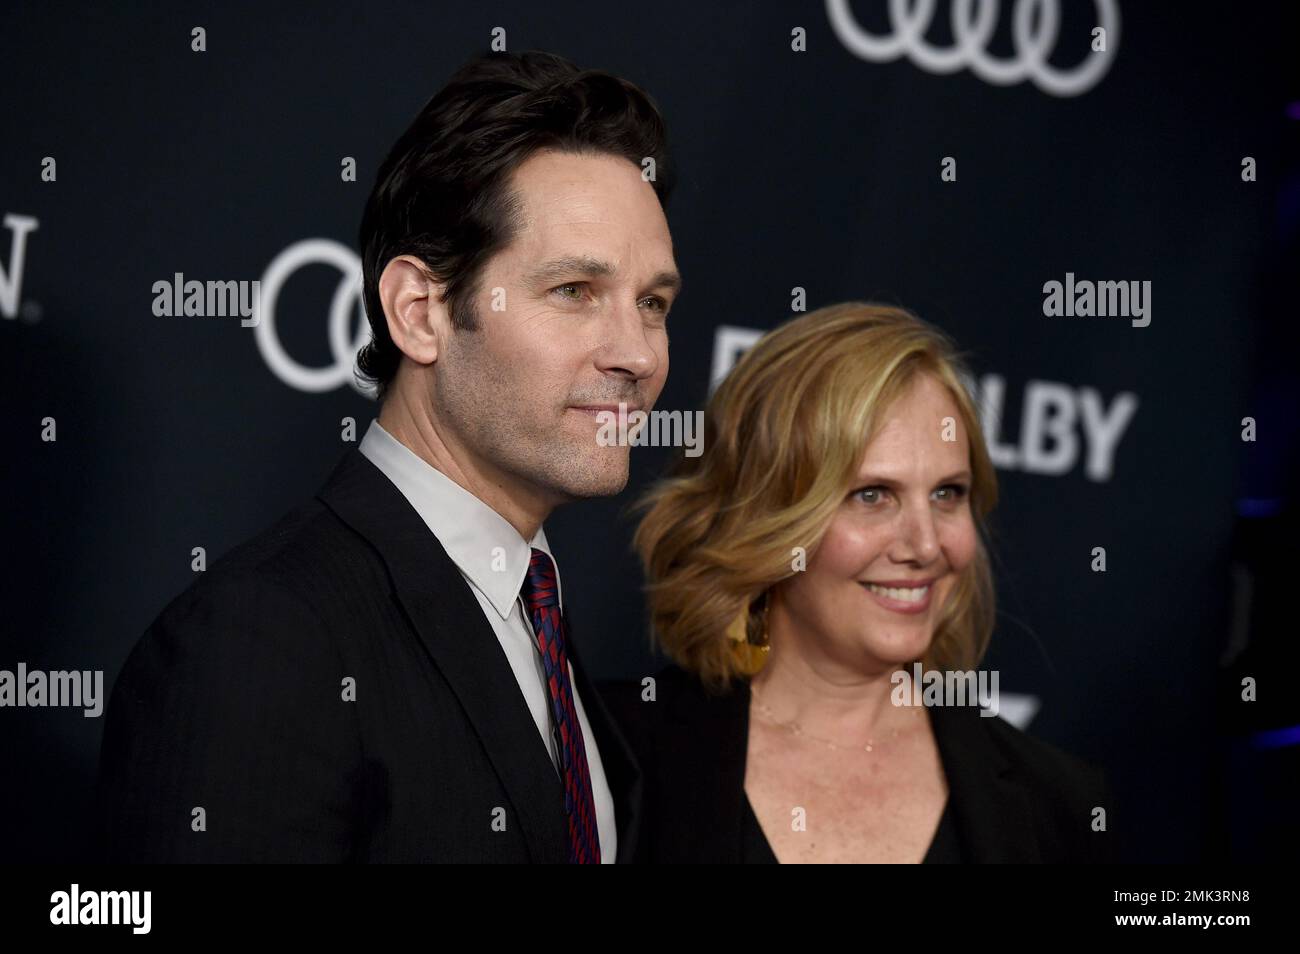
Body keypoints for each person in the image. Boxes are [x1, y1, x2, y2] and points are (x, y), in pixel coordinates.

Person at [97, 50, 682, 863]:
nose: (638, 353)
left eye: (652, 303)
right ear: (419, 312)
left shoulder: (533, 607)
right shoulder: (262, 641)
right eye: (574, 292)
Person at [605, 303, 1114, 863]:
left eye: (948, 494)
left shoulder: (1057, 804)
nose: (924, 546)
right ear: (766, 515)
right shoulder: (607, 759)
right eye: (872, 495)